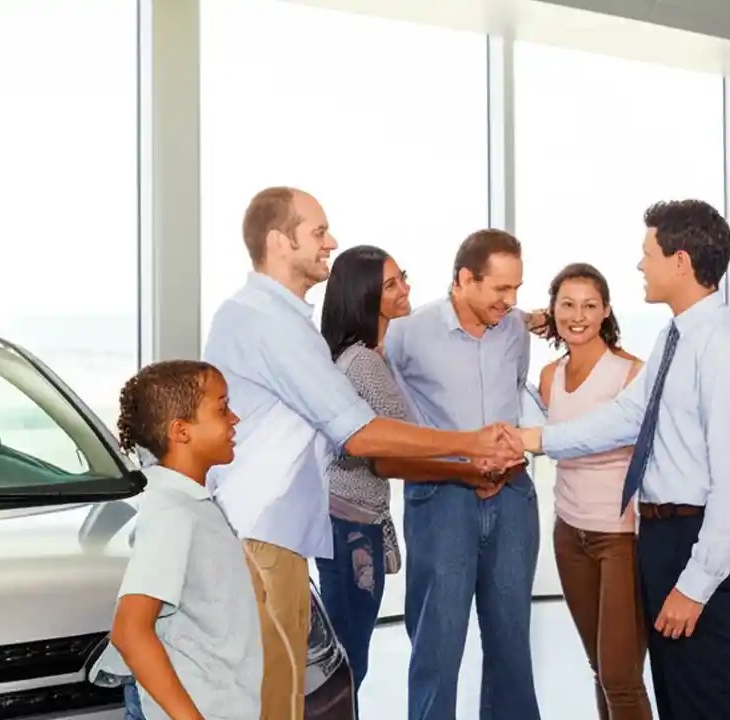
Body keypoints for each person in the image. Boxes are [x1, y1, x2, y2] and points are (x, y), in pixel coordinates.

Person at [203, 187, 523, 720]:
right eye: (318, 231)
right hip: (262, 534)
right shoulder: (270, 322)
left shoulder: (275, 318)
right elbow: (361, 435)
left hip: (277, 536)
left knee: (287, 694)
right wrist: (469, 445)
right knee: (279, 699)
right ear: (280, 241)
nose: (331, 242)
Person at [520, 200, 730, 720]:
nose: (640, 265)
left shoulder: (727, 351)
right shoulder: (675, 337)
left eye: (648, 253)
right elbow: (626, 416)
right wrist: (535, 440)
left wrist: (696, 584)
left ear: (680, 261)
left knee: (705, 702)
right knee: (677, 696)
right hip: (658, 534)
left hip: (691, 535)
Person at [317, 245, 508, 710]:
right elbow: (388, 459)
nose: (405, 289)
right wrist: (467, 468)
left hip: (348, 523)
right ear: (366, 297)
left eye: (402, 277)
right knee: (348, 663)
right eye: (391, 285)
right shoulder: (364, 362)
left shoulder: (364, 355)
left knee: (344, 659)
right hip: (351, 530)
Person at [384, 228, 540, 720]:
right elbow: (383, 410)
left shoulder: (514, 329)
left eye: (516, 289)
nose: (511, 301)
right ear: (463, 279)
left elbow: (516, 394)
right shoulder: (408, 333)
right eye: (500, 289)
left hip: (513, 497)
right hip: (441, 497)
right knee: (438, 642)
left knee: (512, 642)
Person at [105, 360, 262, 720]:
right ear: (181, 431)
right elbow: (130, 631)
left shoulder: (190, 502)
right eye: (222, 408)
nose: (235, 418)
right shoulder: (172, 513)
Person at [538, 262, 652, 720]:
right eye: (566, 304)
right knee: (599, 670)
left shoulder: (631, 374)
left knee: (622, 679)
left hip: (621, 538)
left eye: (589, 304)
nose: (577, 315)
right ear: (552, 311)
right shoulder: (549, 376)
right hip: (570, 535)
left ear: (606, 311)